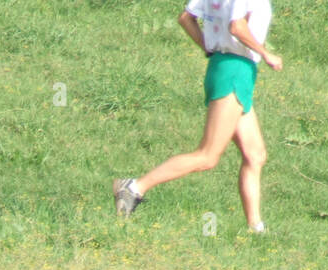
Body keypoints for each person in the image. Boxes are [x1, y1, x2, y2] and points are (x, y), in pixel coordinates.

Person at [114, 1, 282, 233]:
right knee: (207, 156)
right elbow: (237, 27)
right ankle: (134, 187)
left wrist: (209, 48)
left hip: (224, 66)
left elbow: (186, 18)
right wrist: (266, 53)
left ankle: (256, 228)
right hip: (235, 70)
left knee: (255, 155)